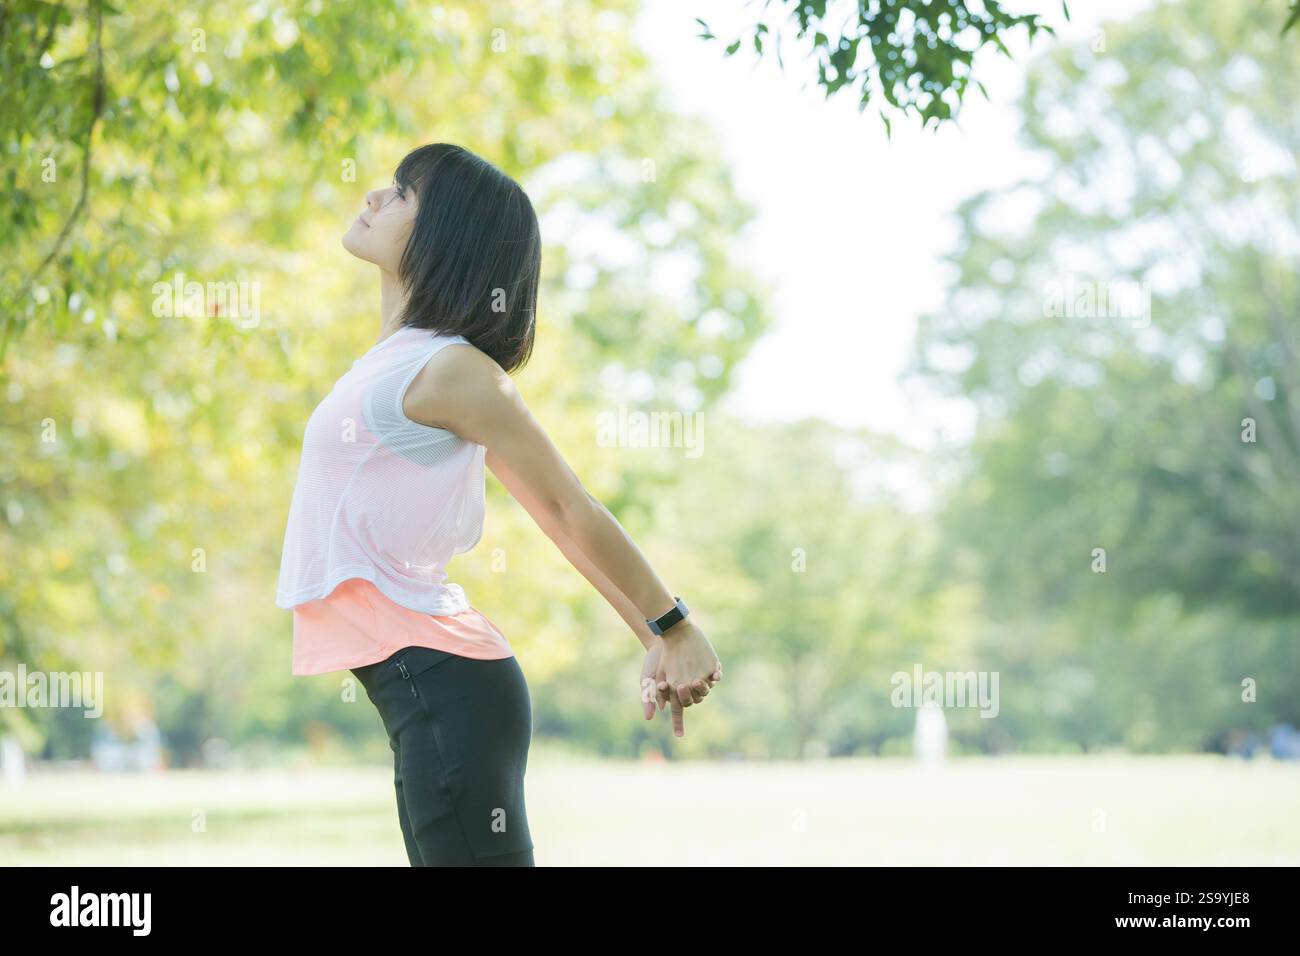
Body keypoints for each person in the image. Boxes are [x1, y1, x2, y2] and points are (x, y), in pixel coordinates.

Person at [275, 143, 723, 866]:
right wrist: (651, 637)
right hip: (427, 691)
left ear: (445, 236)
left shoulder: (453, 369)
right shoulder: (396, 363)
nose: (374, 197)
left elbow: (567, 507)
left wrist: (673, 624)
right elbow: (556, 521)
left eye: (402, 193)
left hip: (448, 690)